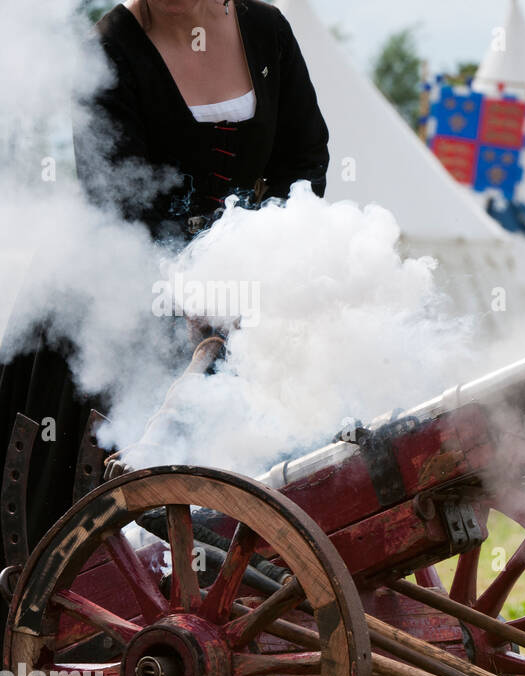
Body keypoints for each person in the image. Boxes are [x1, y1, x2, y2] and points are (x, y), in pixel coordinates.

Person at [0, 0, 329, 546]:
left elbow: (304, 163)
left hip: (245, 284)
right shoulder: (106, 48)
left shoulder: (268, 31)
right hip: (118, 293)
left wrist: (266, 255)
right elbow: (117, 204)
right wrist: (200, 286)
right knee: (89, 508)